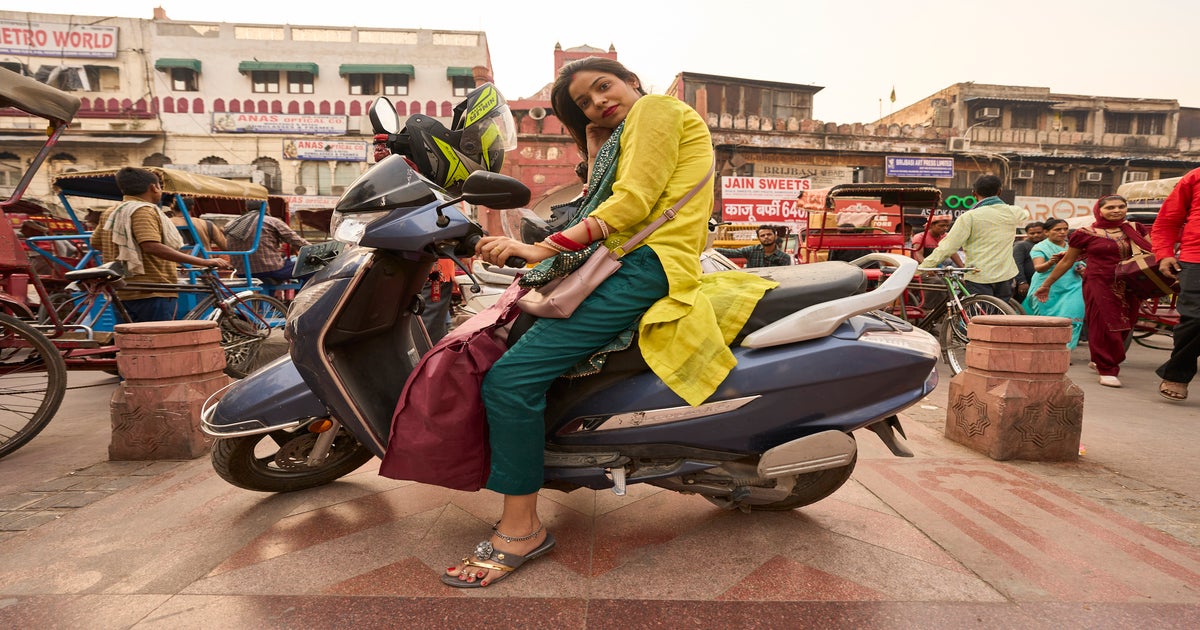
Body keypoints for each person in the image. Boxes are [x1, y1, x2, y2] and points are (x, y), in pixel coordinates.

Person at [441, 57, 774, 588]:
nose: (598, 102)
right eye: (585, 103)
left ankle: (522, 529)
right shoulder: (627, 133)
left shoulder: (657, 109)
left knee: (511, 380)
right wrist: (598, 147)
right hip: (627, 263)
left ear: (631, 83)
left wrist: (539, 249)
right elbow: (618, 197)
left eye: (604, 87)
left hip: (642, 267)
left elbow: (633, 202)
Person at [1033, 195, 1150, 387]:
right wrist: (1047, 284)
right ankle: (1107, 367)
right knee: (1105, 324)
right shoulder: (1085, 233)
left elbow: (1151, 252)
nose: (1117, 210)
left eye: (1121, 206)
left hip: (1130, 284)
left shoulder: (1136, 228)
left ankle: (1101, 358)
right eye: (1110, 207)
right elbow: (1067, 261)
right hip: (1098, 283)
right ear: (1099, 210)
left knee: (1126, 323)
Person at [90, 167, 232, 322]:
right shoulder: (144, 210)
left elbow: (96, 242)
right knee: (160, 340)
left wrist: (128, 253)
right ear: (154, 187)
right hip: (154, 288)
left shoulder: (111, 211)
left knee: (132, 341)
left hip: (123, 289)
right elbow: (151, 246)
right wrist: (203, 261)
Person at [919, 175, 1030, 301]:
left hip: (978, 275)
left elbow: (947, 247)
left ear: (973, 193)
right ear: (999, 192)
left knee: (980, 316)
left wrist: (921, 268)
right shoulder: (1013, 212)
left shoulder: (969, 217)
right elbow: (1025, 213)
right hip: (1005, 275)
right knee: (1000, 316)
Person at [1151, 167, 1200, 401]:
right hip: (1196, 258)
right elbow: (1167, 220)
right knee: (1195, 318)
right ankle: (1178, 374)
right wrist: (1164, 253)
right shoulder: (1194, 177)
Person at [1022, 218, 1084, 349]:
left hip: (1072, 287)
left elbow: (1080, 264)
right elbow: (1039, 268)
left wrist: (1081, 269)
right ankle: (1045, 349)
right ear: (1046, 232)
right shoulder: (1039, 247)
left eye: (1065, 229)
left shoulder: (1071, 246)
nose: (1062, 232)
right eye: (1057, 229)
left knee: (1073, 318)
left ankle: (1065, 351)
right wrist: (1051, 262)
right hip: (1047, 287)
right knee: (1046, 320)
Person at [223, 205, 311, 284]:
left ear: (246, 208)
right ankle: (306, 300)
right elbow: (297, 241)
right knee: (311, 269)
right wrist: (316, 249)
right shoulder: (271, 221)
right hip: (270, 269)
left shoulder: (232, 224)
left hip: (242, 272)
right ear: (267, 207)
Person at [714, 224, 792, 267]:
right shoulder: (752, 250)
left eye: (769, 234)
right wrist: (709, 250)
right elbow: (731, 252)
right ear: (758, 238)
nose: (766, 237)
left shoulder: (784, 258)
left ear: (775, 236)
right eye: (762, 235)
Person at [1012, 221, 1046, 301]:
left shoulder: (1046, 245)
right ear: (1027, 233)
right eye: (1032, 233)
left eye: (1039, 232)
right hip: (1027, 283)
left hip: (1043, 282)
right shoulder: (1021, 246)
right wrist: (1022, 282)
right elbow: (1017, 264)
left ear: (1045, 232)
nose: (1036, 235)